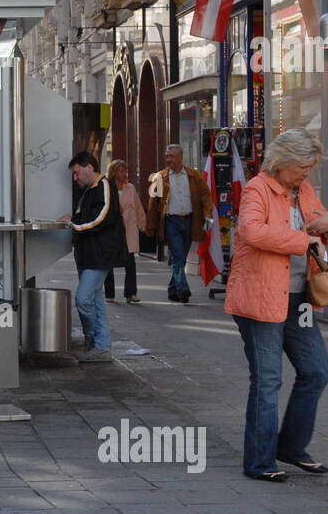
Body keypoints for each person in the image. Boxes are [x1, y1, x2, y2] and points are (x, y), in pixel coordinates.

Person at [225, 129, 328, 482]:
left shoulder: (303, 190)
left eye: (311, 169)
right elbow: (251, 232)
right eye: (303, 168)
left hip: (300, 300)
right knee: (267, 380)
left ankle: (291, 447)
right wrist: (304, 238)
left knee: (316, 370)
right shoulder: (257, 189)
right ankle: (260, 461)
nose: (308, 175)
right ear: (283, 162)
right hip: (261, 298)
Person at [58, 152, 128, 362]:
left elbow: (102, 217)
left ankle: (94, 339)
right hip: (90, 253)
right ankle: (101, 345)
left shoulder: (104, 186)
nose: (75, 178)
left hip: (100, 254)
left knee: (84, 298)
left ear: (89, 167)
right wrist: (75, 220)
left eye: (77, 173)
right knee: (94, 300)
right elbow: (91, 216)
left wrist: (74, 225)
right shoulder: (90, 190)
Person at [145, 143, 213, 303]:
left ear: (180, 158)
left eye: (172, 156)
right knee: (178, 256)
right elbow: (153, 202)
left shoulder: (193, 175)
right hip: (171, 222)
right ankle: (183, 289)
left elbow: (205, 193)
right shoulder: (160, 177)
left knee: (180, 258)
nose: (168, 159)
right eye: (167, 156)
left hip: (190, 221)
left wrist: (208, 212)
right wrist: (150, 224)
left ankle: (172, 289)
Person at [103, 159, 145, 304]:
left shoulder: (130, 188)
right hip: (112, 229)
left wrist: (142, 223)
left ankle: (131, 293)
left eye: (125, 170)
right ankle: (109, 294)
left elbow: (138, 207)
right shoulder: (107, 187)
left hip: (129, 229)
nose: (124, 173)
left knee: (130, 261)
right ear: (114, 172)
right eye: (121, 170)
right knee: (109, 262)